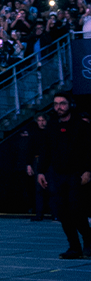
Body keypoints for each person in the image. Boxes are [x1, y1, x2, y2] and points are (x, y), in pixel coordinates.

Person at [37, 93, 91, 259]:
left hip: (76, 175)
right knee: (62, 212)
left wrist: (88, 170)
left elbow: (89, 150)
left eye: (62, 104)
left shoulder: (81, 126)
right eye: (56, 104)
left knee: (76, 210)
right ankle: (74, 247)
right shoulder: (51, 127)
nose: (59, 107)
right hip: (57, 175)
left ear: (70, 105)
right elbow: (46, 151)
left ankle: (88, 240)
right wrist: (41, 171)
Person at [24, 114, 50, 221]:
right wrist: (29, 164)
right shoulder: (34, 134)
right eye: (39, 120)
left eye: (43, 120)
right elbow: (29, 149)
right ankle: (39, 213)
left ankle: (55, 213)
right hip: (38, 160)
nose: (41, 122)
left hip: (49, 161)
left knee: (52, 187)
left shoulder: (51, 133)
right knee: (39, 188)